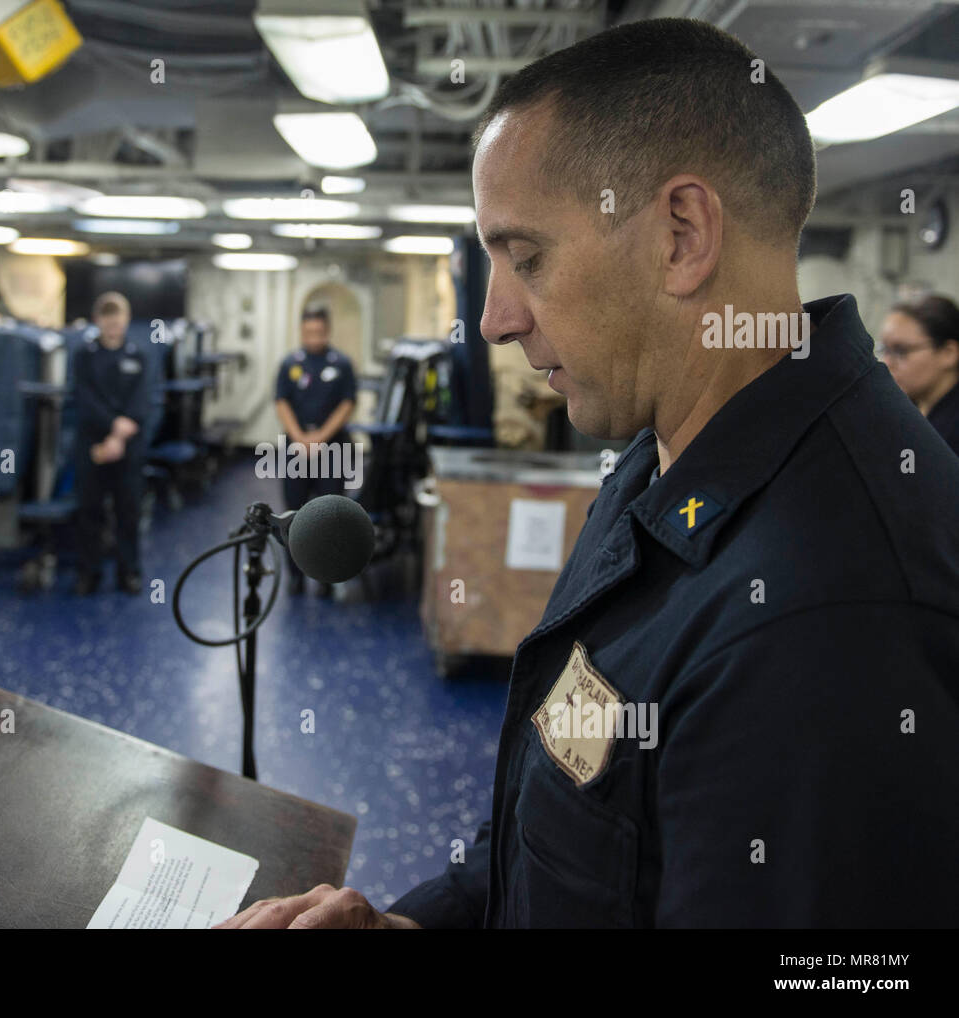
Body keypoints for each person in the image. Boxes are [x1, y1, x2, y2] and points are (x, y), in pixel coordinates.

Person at [216, 18, 959, 929]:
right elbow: (564, 819)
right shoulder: (662, 462)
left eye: (527, 257)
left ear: (682, 235)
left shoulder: (831, 618)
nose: (493, 319)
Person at [71, 291, 155, 595]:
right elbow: (84, 398)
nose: (112, 323)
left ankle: (128, 571)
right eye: (106, 318)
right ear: (98, 321)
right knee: (89, 511)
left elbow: (142, 401)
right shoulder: (84, 355)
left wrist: (119, 436)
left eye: (117, 317)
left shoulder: (139, 356)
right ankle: (88, 573)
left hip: (129, 446)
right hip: (92, 445)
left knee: (128, 511)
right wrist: (110, 429)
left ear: (126, 319)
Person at [273, 306, 357, 596]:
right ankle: (295, 576)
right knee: (293, 515)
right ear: (301, 331)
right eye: (309, 332)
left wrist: (320, 438)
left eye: (319, 332)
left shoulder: (342, 364)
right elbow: (281, 402)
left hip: (332, 450)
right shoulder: (290, 364)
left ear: (327, 330)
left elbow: (347, 404)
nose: (314, 338)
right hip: (296, 451)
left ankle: (325, 577)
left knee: (330, 517)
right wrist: (300, 438)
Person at [879, 294, 959, 456]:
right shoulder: (906, 413)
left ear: (948, 353)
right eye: (885, 350)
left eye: (901, 351)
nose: (887, 363)